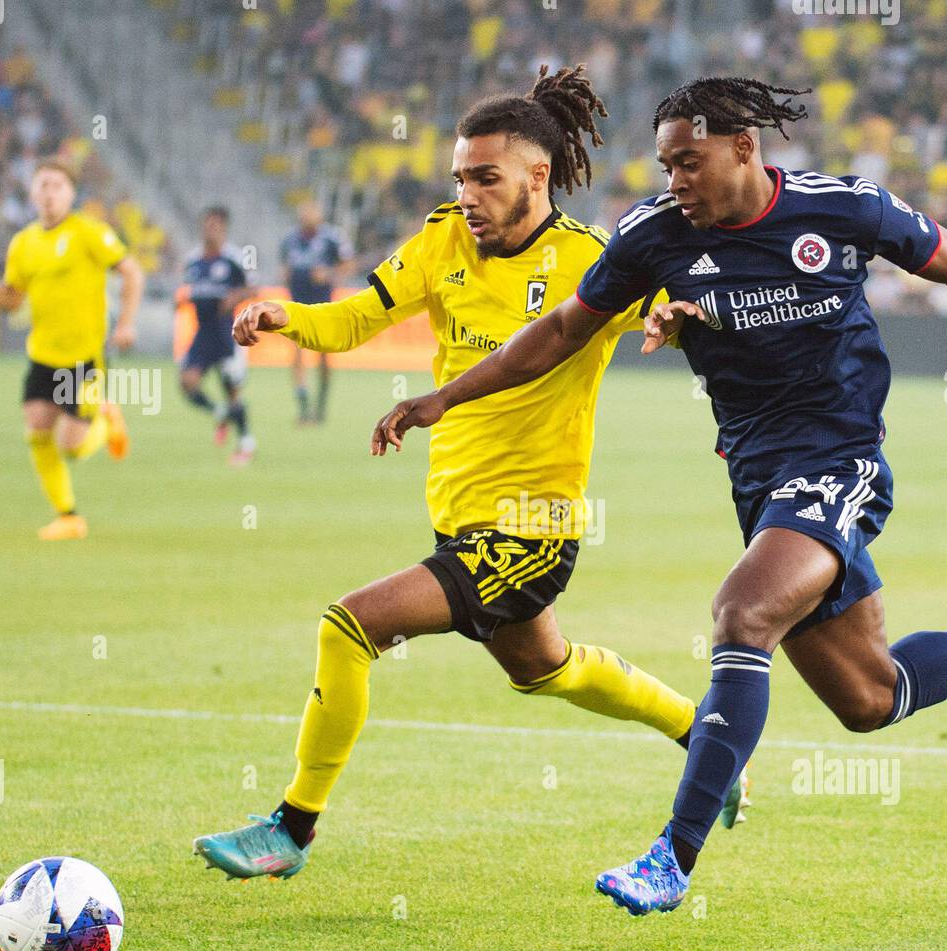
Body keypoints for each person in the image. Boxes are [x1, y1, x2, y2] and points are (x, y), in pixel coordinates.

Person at [370, 77, 947, 916]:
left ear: (744, 148)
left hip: (840, 461)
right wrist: (444, 397)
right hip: (759, 481)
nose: (675, 179)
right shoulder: (654, 235)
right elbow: (562, 329)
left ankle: (672, 856)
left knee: (741, 615)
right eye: (666, 164)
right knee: (870, 697)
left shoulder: (843, 209)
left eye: (689, 161)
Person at [192, 66, 747, 884]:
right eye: (460, 178)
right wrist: (288, 317)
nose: (468, 196)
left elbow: (690, 317)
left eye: (486, 178)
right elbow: (358, 316)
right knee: (546, 667)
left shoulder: (591, 261)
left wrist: (680, 322)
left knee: (349, 626)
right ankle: (707, 739)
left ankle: (291, 827)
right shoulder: (443, 240)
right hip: (462, 514)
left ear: (537, 175)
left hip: (531, 526)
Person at [0, 159, 143, 540]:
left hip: (84, 358)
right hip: (43, 355)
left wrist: (126, 323)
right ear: (32, 192)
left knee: (72, 448)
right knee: (37, 430)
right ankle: (68, 516)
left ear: (71, 193)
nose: (49, 193)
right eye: (43, 185)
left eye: (57, 185)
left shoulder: (88, 232)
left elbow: (131, 271)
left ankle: (106, 420)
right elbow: (12, 300)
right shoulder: (23, 243)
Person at [178, 206, 258, 466]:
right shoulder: (193, 260)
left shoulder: (235, 258)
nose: (209, 230)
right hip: (203, 332)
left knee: (231, 387)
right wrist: (182, 299)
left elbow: (252, 288)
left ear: (223, 229)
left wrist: (235, 296)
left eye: (215, 225)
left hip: (227, 332)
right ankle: (220, 412)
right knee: (187, 382)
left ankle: (246, 442)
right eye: (206, 224)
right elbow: (191, 289)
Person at [280, 200, 347, 425]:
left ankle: (320, 407)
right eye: (304, 211)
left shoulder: (332, 238)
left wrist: (327, 274)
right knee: (297, 354)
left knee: (324, 355)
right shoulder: (290, 240)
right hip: (297, 306)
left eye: (312, 211)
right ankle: (303, 408)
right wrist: (286, 277)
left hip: (323, 307)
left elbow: (348, 264)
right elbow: (285, 266)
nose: (307, 215)